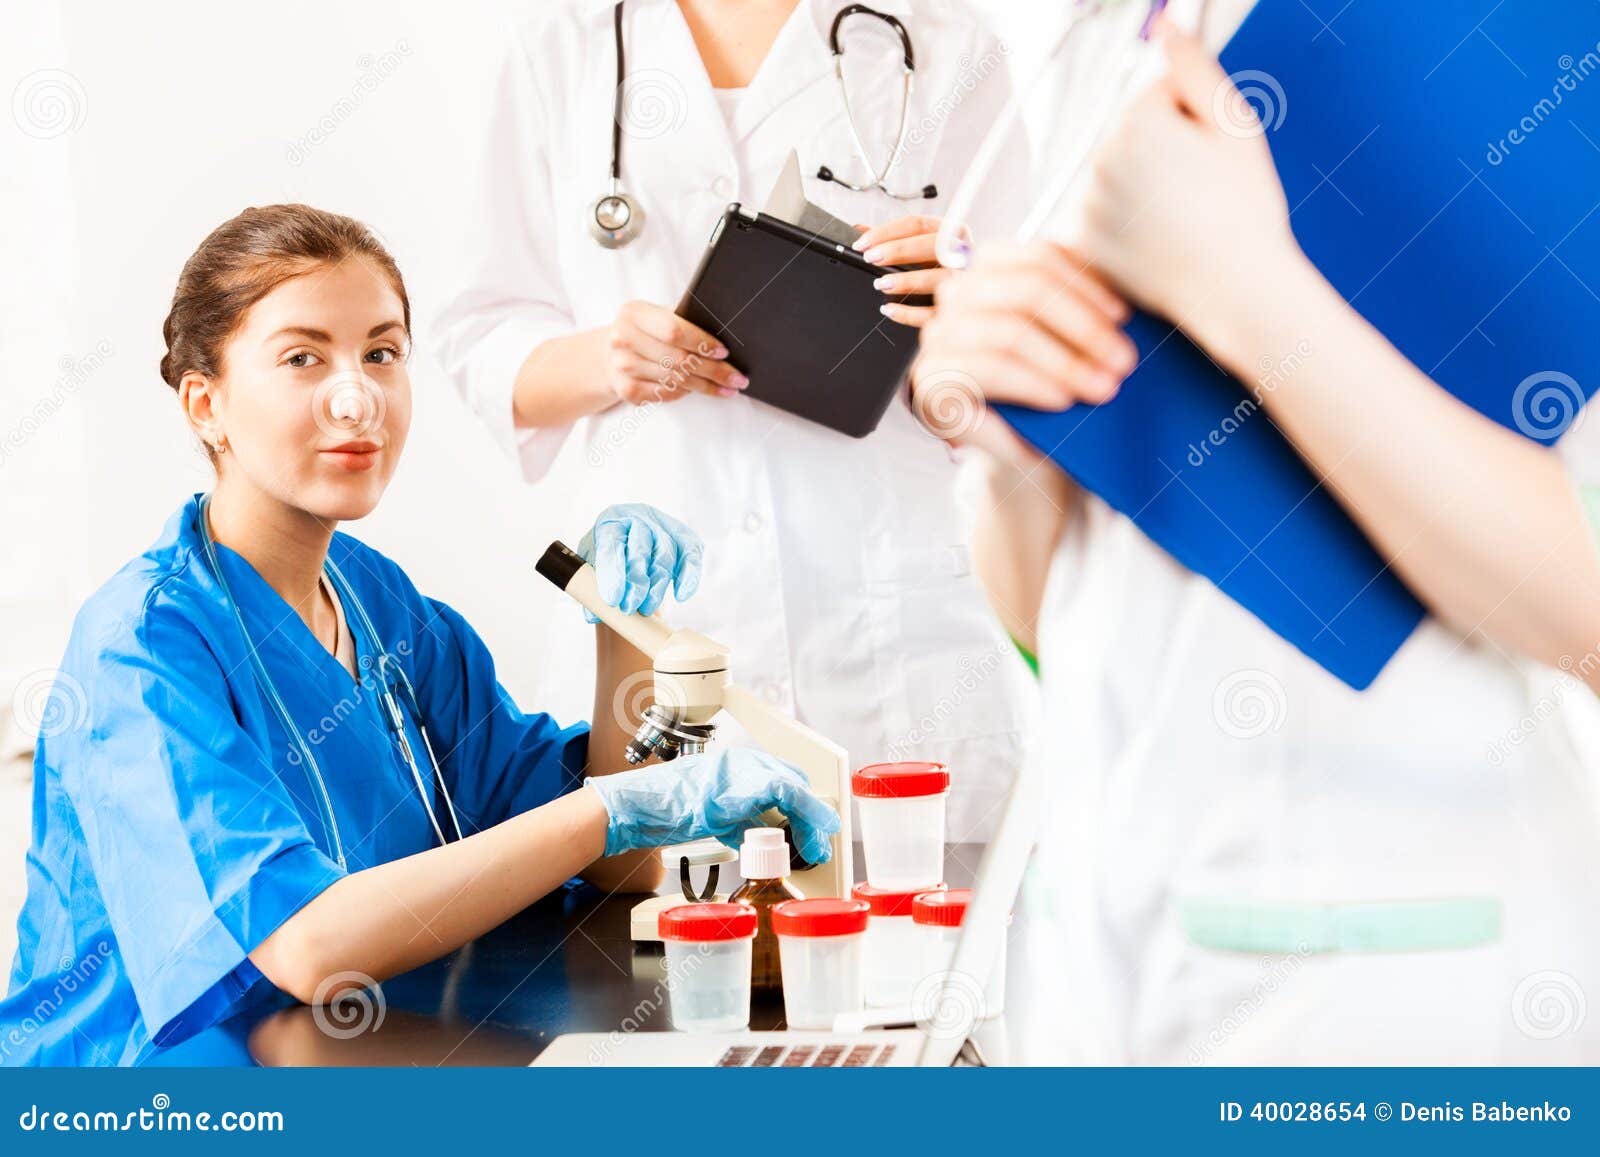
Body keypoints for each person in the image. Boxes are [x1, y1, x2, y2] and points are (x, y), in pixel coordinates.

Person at [0, 205, 837, 1067]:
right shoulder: (142, 644)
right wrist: (616, 811)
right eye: (302, 358)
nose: (356, 395)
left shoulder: (380, 604)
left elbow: (617, 866)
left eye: (381, 353)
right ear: (205, 404)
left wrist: (618, 620)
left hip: (361, 1056)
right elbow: (308, 947)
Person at [913, 18, 1600, 1063]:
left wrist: (1246, 288)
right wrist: (1008, 457)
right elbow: (1072, 616)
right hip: (1103, 950)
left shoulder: (1534, 54)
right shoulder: (1093, 43)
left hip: (1396, 982)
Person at [434, 0, 1038, 841]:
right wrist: (609, 356)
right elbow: (479, 338)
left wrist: (967, 310)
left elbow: (1036, 350)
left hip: (896, 635)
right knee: (646, 951)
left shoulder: (947, 43)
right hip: (660, 619)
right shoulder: (560, 43)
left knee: (918, 947)